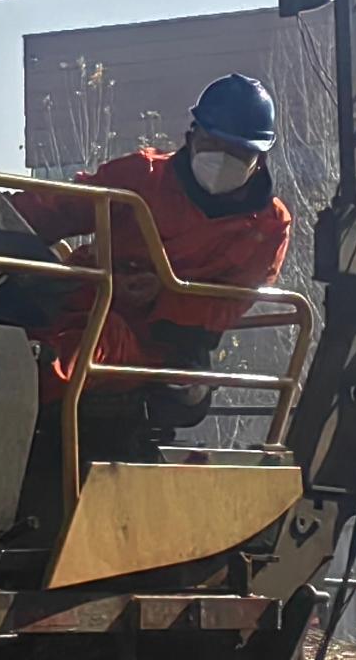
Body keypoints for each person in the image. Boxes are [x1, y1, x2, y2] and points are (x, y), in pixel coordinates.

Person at [23, 75, 293, 442]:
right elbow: (58, 205)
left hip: (166, 345)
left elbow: (227, 304)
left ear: (259, 159)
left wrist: (161, 294)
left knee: (83, 352)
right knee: (29, 323)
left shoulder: (269, 227)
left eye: (237, 152)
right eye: (213, 143)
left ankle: (14, 389)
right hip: (82, 304)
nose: (222, 159)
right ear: (192, 135)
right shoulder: (142, 177)